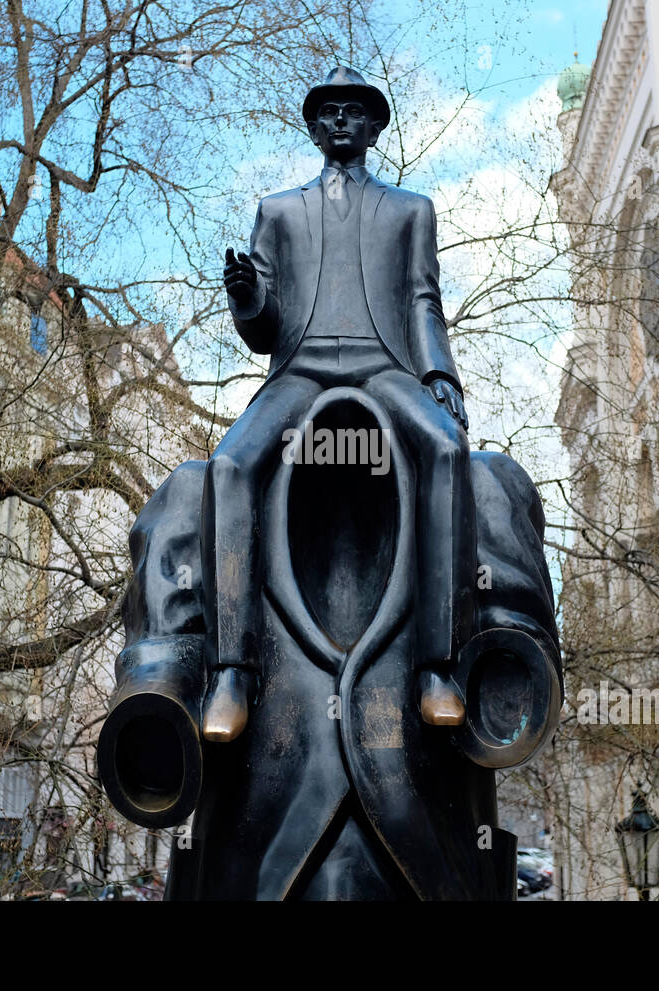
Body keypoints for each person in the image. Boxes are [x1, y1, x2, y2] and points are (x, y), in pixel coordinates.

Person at [204, 66, 474, 741]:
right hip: (301, 370)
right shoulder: (278, 211)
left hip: (383, 367)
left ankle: (435, 667)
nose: (341, 121)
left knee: (445, 448)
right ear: (313, 126)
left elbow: (422, 301)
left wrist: (440, 375)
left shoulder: (412, 211)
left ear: (375, 125)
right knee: (229, 466)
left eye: (355, 111)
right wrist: (247, 298)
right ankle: (231, 673)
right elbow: (263, 326)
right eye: (329, 112)